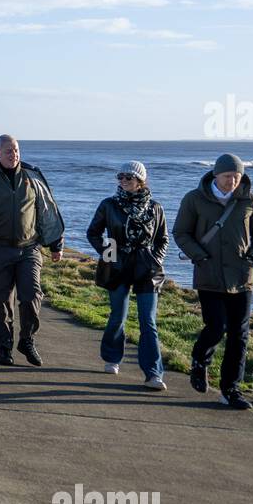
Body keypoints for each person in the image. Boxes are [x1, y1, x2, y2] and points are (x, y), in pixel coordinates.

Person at [172, 153, 253, 410]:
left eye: (237, 177)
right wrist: (199, 256)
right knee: (216, 328)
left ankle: (231, 389)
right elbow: (181, 232)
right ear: (216, 175)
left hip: (242, 278)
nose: (233, 181)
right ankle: (200, 360)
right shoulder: (194, 199)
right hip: (209, 276)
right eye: (228, 176)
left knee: (239, 335)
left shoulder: (250, 200)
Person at [0, 134, 65, 366]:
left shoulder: (32, 176)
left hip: (29, 249)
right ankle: (4, 348)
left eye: (15, 150)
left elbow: (47, 210)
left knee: (32, 296)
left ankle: (27, 339)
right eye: (8, 151)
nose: (13, 155)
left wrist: (55, 244)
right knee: (1, 303)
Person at [86, 161, 168, 390]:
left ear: (140, 181)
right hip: (118, 266)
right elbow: (93, 232)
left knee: (147, 321)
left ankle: (153, 373)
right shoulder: (109, 205)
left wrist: (156, 259)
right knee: (118, 316)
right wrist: (107, 252)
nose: (123, 182)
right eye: (120, 178)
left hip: (146, 269)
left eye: (128, 178)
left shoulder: (155, 207)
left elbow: (163, 239)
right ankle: (112, 358)